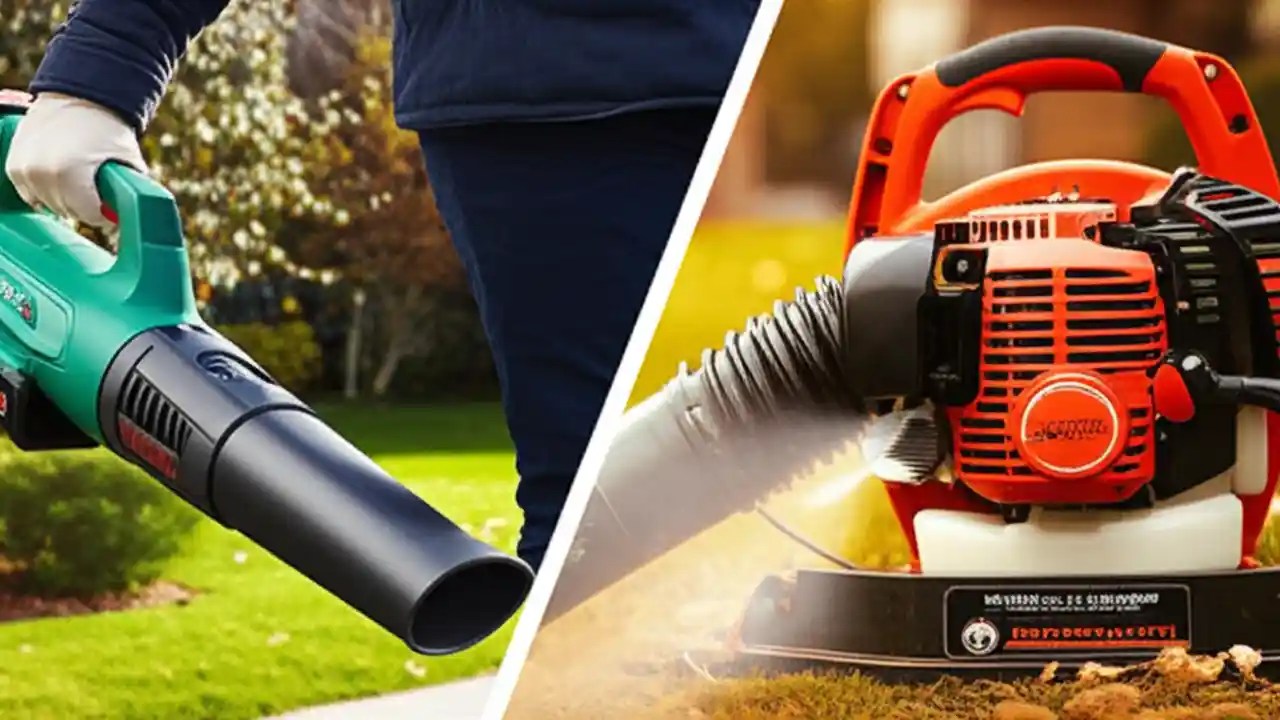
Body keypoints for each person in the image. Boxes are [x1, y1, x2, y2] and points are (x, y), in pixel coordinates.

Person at [5, 1, 760, 572]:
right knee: (598, 506)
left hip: (709, 56)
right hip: (551, 91)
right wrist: (108, 56)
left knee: (740, 456)